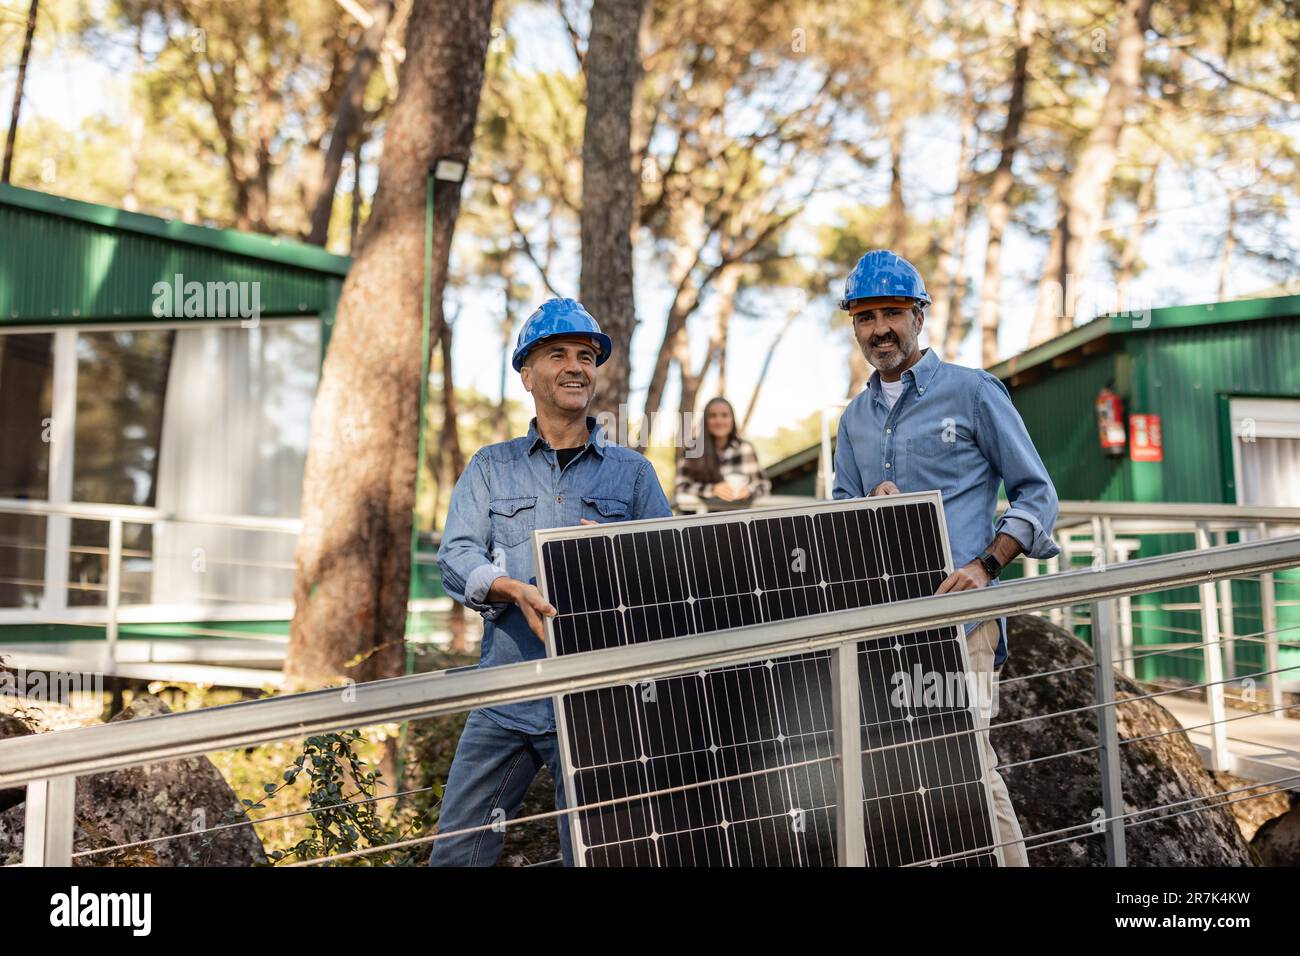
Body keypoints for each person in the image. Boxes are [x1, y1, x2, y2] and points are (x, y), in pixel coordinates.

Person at [830, 250, 1060, 868]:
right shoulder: (852, 420)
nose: (880, 328)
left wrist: (986, 565)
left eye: (894, 313)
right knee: (907, 785)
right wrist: (863, 508)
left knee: (968, 768)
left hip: (963, 624)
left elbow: (1037, 494)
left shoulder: (974, 392)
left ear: (920, 315)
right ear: (853, 324)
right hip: (884, 631)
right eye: (866, 315)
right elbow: (838, 512)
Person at [432, 297, 672, 867]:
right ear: (526, 373)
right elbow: (455, 555)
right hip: (506, 692)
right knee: (457, 854)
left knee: (592, 856)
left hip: (597, 701)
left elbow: (670, 574)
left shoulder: (633, 473)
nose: (575, 366)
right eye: (557, 353)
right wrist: (510, 588)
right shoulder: (491, 466)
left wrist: (619, 558)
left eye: (586, 356)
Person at [674, 397, 772, 512]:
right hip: (702, 522)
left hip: (738, 520)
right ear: (705, 421)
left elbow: (764, 485)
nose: (719, 421)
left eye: (724, 415)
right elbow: (681, 487)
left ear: (732, 420)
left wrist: (748, 491)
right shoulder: (692, 449)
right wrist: (713, 490)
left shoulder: (745, 449)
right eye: (713, 416)